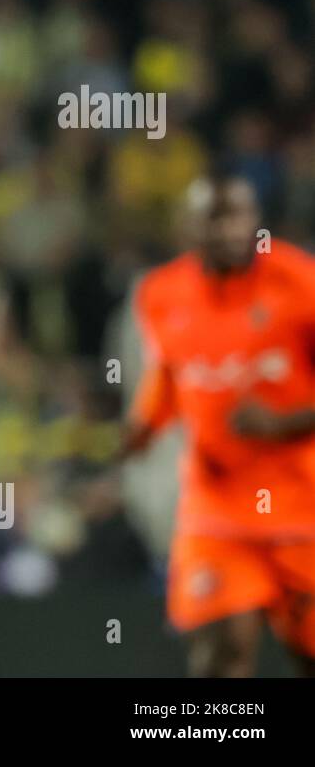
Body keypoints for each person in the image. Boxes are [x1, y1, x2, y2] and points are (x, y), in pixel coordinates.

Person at [122, 170, 315, 676]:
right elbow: (169, 379)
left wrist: (283, 423)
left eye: (241, 216)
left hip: (302, 506)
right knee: (221, 652)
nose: (231, 230)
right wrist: (139, 430)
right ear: (189, 227)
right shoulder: (160, 295)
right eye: (215, 218)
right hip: (217, 509)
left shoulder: (301, 284)